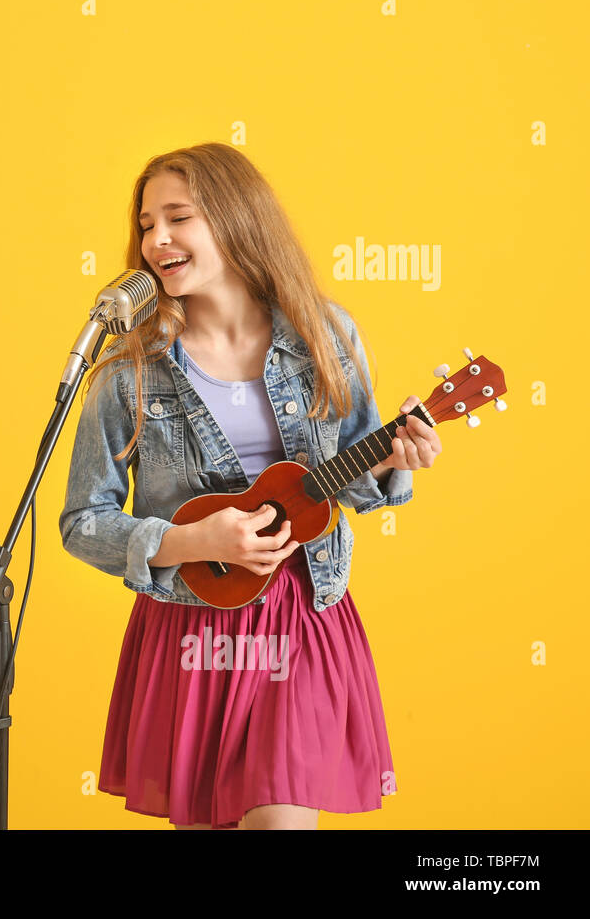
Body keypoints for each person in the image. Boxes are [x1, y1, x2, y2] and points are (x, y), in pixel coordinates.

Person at [59, 143, 442, 830]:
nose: (156, 239)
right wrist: (189, 538)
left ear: (236, 220)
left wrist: (395, 460)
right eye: (147, 224)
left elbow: (348, 485)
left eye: (178, 217)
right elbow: (81, 520)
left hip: (300, 615)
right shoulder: (128, 373)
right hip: (190, 619)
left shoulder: (326, 336)